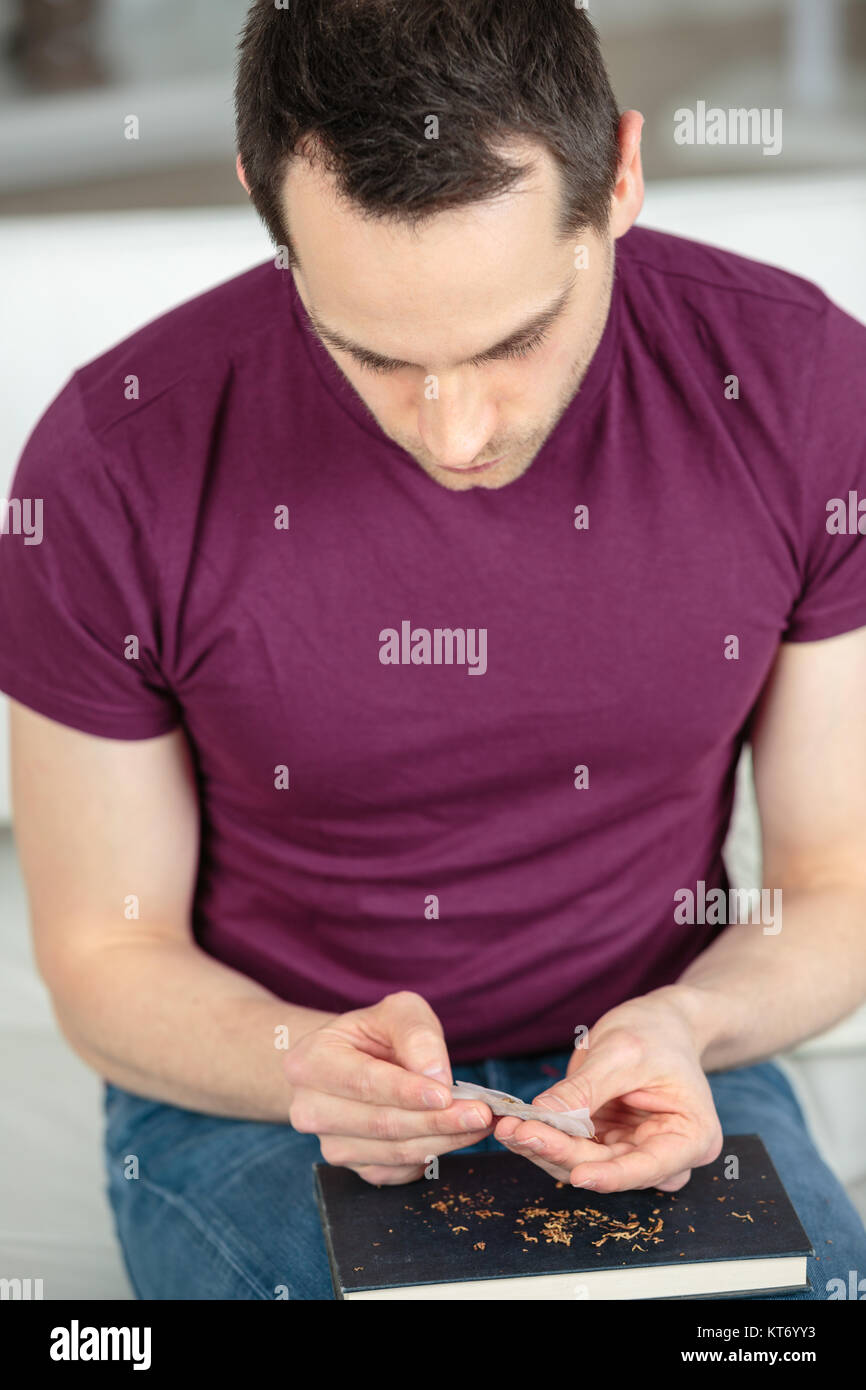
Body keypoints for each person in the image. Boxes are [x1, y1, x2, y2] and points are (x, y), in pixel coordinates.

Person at [1, 0, 864, 1301]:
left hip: (660, 1047)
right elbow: (105, 957)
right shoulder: (112, 462)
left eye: (513, 340)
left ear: (619, 175)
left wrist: (687, 1018)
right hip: (262, 1079)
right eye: (369, 352)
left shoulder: (801, 390)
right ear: (261, 203)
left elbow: (834, 876)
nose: (454, 432)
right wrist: (301, 1058)